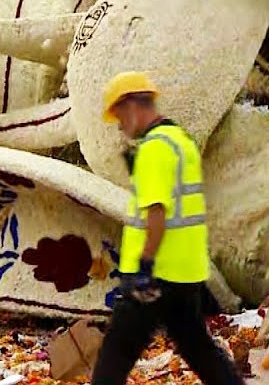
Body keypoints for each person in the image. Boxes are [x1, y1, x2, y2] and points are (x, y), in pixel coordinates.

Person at [90, 71, 243, 385]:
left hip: (155, 275)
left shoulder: (154, 149)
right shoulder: (179, 140)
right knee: (199, 350)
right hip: (185, 272)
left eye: (119, 115)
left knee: (115, 354)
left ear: (132, 106)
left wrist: (144, 266)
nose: (119, 125)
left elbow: (156, 214)